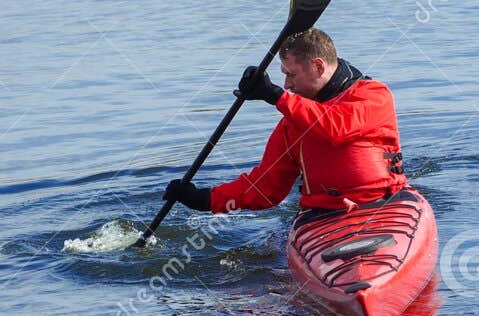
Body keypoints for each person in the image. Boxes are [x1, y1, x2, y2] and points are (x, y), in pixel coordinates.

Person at [163, 28, 405, 216]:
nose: (287, 84)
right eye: (284, 77)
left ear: (318, 66)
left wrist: (275, 95)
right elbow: (265, 189)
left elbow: (335, 128)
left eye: (291, 74)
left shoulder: (374, 95)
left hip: (385, 205)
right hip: (323, 217)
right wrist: (204, 199)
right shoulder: (293, 123)